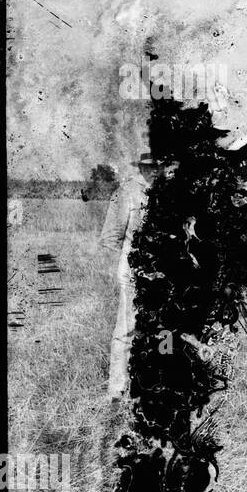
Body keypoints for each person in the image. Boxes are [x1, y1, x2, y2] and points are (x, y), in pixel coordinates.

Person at [99, 152, 162, 402]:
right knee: (128, 328)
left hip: (164, 275)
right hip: (134, 272)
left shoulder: (171, 194)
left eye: (159, 166)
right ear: (141, 168)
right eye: (150, 166)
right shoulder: (128, 192)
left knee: (163, 329)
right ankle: (118, 387)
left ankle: (158, 382)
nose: (154, 171)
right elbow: (111, 236)